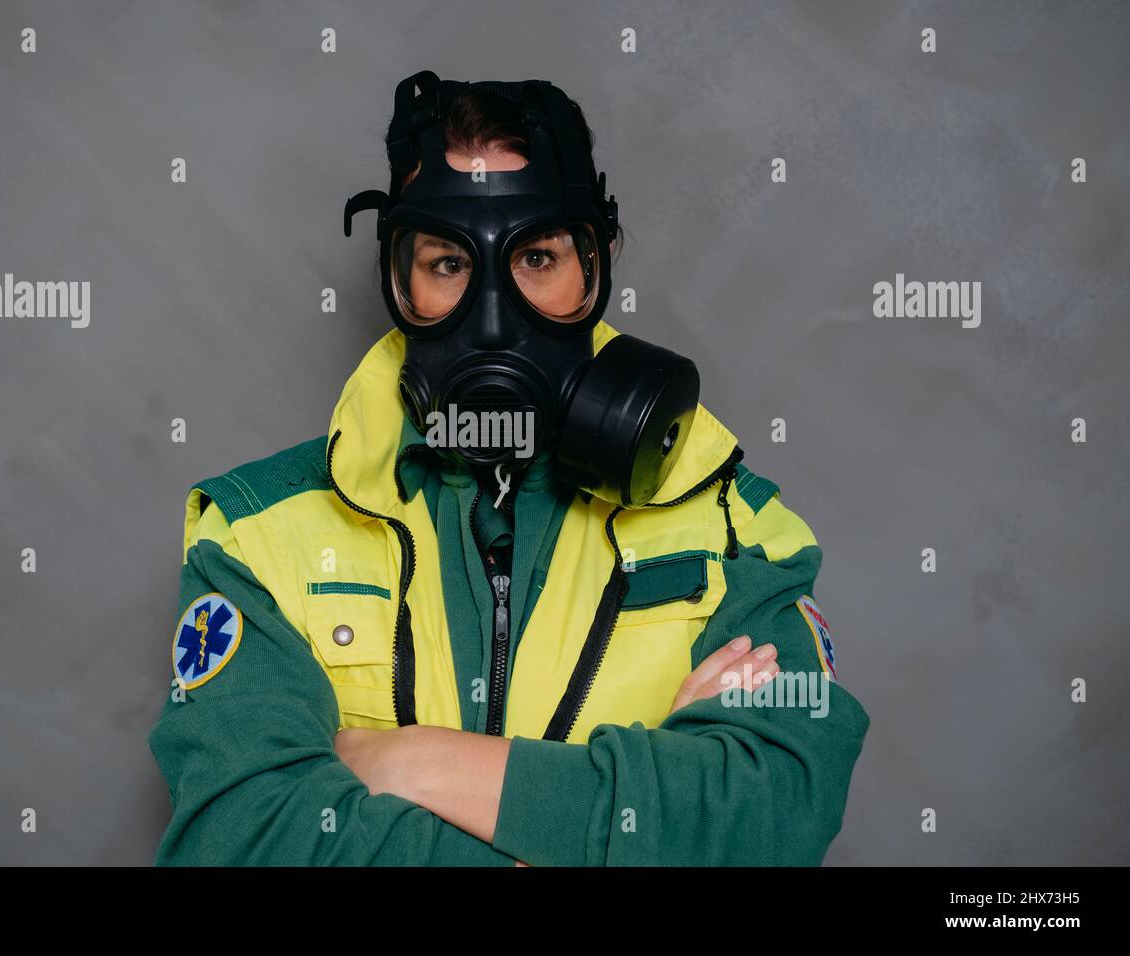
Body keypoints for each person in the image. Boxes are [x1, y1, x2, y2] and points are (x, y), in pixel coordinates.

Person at [148, 71, 869, 866]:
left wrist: (417, 762)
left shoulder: (733, 530)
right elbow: (240, 840)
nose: (493, 321)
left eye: (535, 256)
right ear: (398, 280)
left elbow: (770, 819)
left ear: (596, 266)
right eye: (449, 264)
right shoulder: (260, 535)